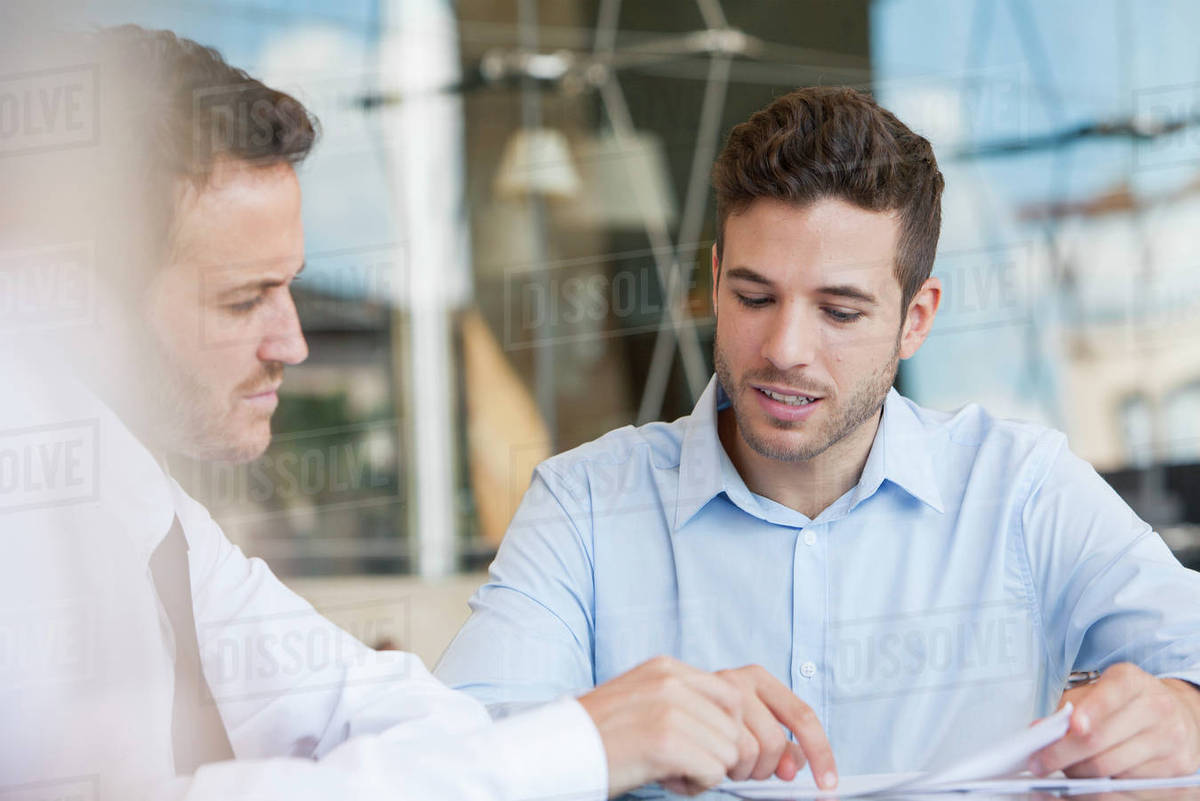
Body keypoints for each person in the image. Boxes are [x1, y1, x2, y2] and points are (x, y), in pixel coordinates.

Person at [0, 25, 836, 801]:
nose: (291, 342)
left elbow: (357, 707)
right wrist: (587, 739)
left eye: (287, 286)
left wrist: (637, 718)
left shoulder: (150, 511)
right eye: (242, 299)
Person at [434, 86, 1200, 780]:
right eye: (754, 295)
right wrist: (613, 733)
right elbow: (453, 761)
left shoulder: (1021, 489)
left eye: (839, 310)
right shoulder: (587, 507)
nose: (785, 347)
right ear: (714, 280)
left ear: (917, 319)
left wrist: (1181, 716)